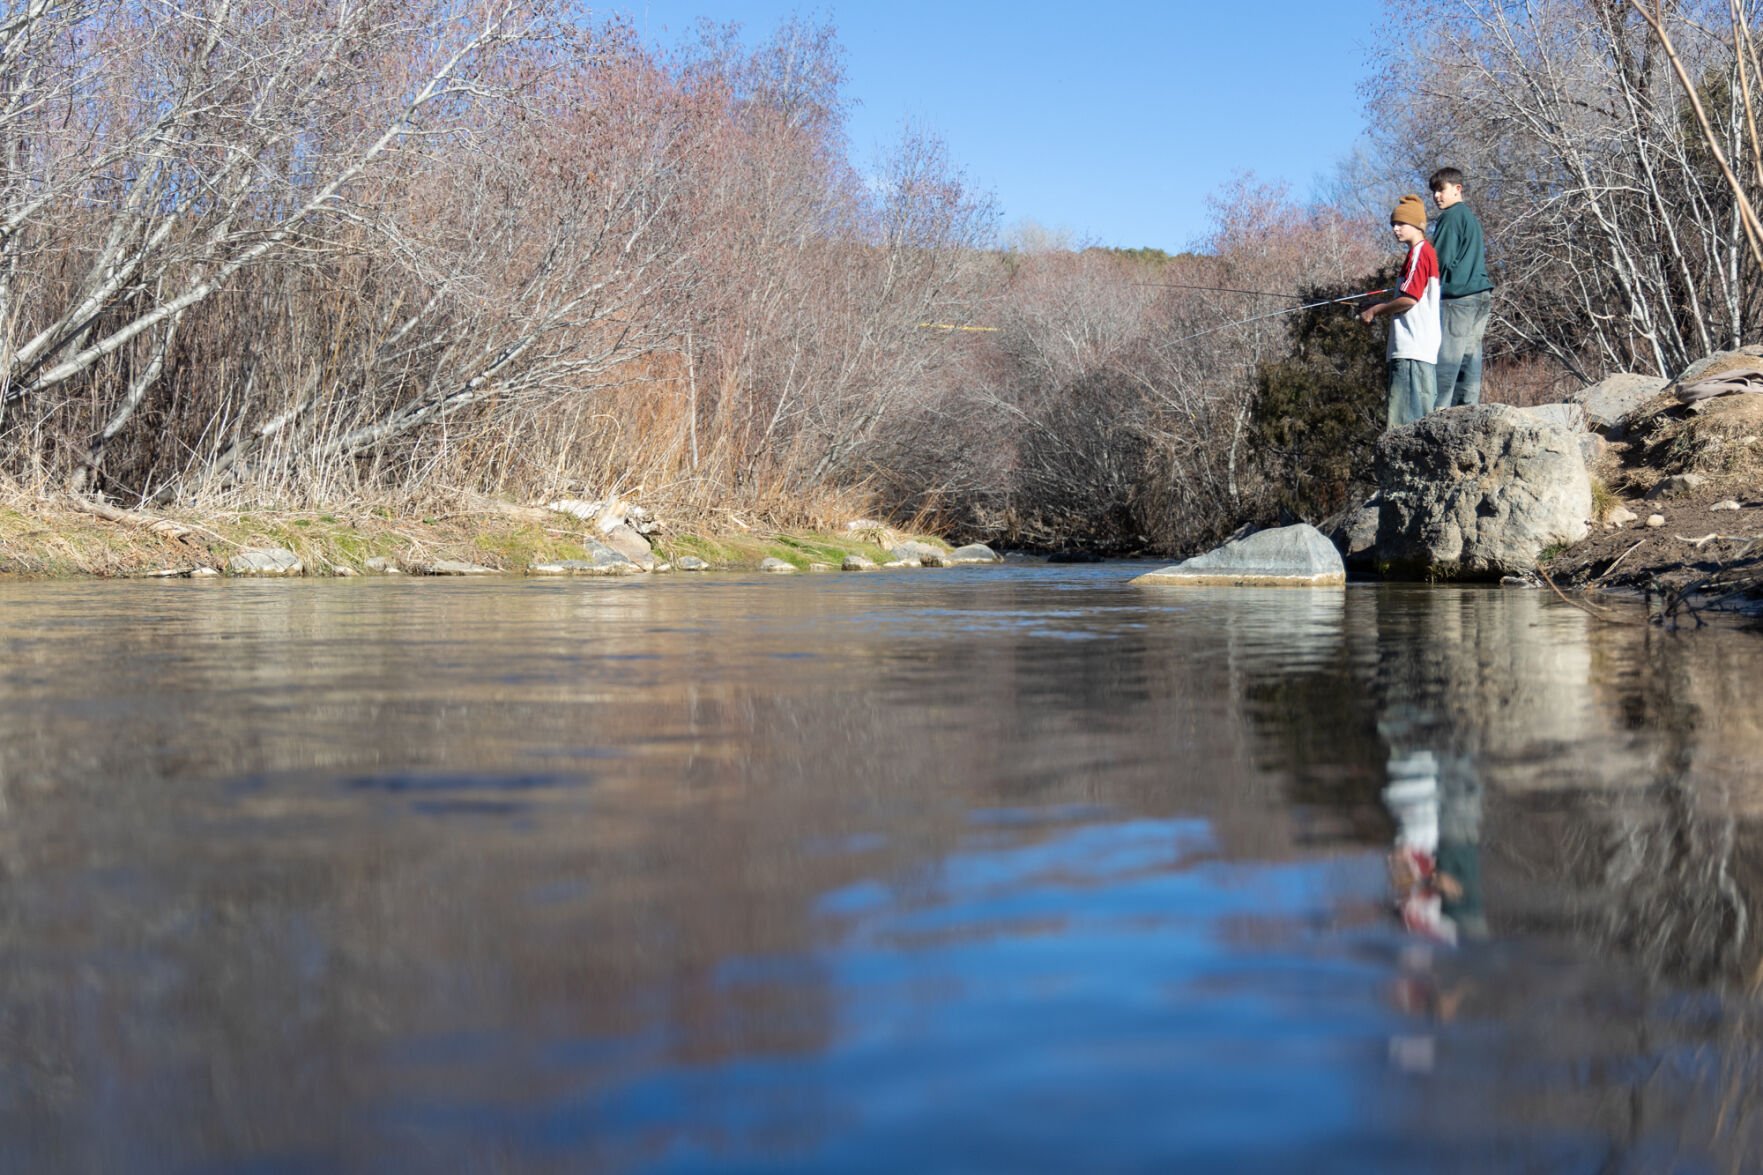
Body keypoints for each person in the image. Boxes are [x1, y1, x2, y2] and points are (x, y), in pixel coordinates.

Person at [1360, 194, 1441, 429]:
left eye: (1401, 224)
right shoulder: (1421, 253)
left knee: (1405, 426)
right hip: (1418, 349)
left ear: (1417, 224)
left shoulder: (1419, 253)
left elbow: (1409, 298)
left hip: (1412, 349)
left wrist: (1376, 310)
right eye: (1393, 224)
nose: (1395, 229)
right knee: (1420, 422)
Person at [1428, 167, 1494, 409]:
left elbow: (1440, 261)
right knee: (1470, 357)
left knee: (1447, 360)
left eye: (1441, 189)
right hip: (1481, 297)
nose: (1436, 196)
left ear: (1458, 189)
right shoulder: (1470, 218)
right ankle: (1467, 411)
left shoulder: (1451, 216)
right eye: (1434, 191)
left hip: (1458, 299)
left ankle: (1439, 414)